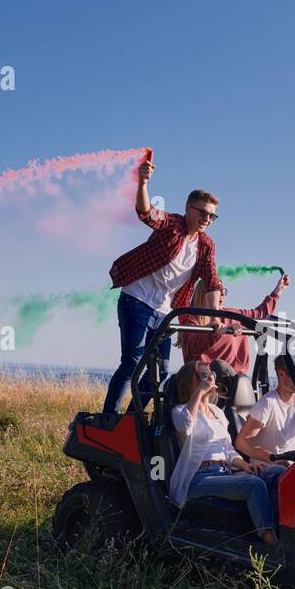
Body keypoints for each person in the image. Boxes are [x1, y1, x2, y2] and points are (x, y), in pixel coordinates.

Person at [102, 152, 220, 415]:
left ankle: (132, 421)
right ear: (188, 208)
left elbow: (211, 281)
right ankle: (108, 419)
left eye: (212, 217)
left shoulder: (206, 245)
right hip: (137, 300)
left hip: (165, 311)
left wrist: (213, 319)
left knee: (162, 370)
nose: (206, 220)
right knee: (132, 362)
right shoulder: (173, 226)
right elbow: (146, 213)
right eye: (202, 213)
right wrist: (143, 183)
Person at [170, 359, 279, 548]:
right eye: (203, 375)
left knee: (275, 473)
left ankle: (284, 530)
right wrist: (200, 391)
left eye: (210, 374)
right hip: (198, 478)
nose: (210, 378)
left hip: (224, 472)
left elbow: (227, 449)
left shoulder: (217, 412)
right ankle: (271, 543)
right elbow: (186, 426)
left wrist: (246, 465)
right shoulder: (180, 411)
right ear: (191, 382)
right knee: (252, 485)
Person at [178, 273, 289, 377]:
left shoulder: (232, 315)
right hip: (206, 383)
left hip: (237, 382)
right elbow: (192, 347)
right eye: (218, 290)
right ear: (204, 294)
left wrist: (277, 291)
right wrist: (218, 331)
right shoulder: (191, 320)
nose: (222, 294)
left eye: (224, 291)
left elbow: (259, 314)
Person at [236, 354, 295, 478]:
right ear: (281, 373)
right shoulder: (267, 404)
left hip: (292, 467)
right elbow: (241, 442)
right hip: (267, 470)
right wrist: (273, 459)